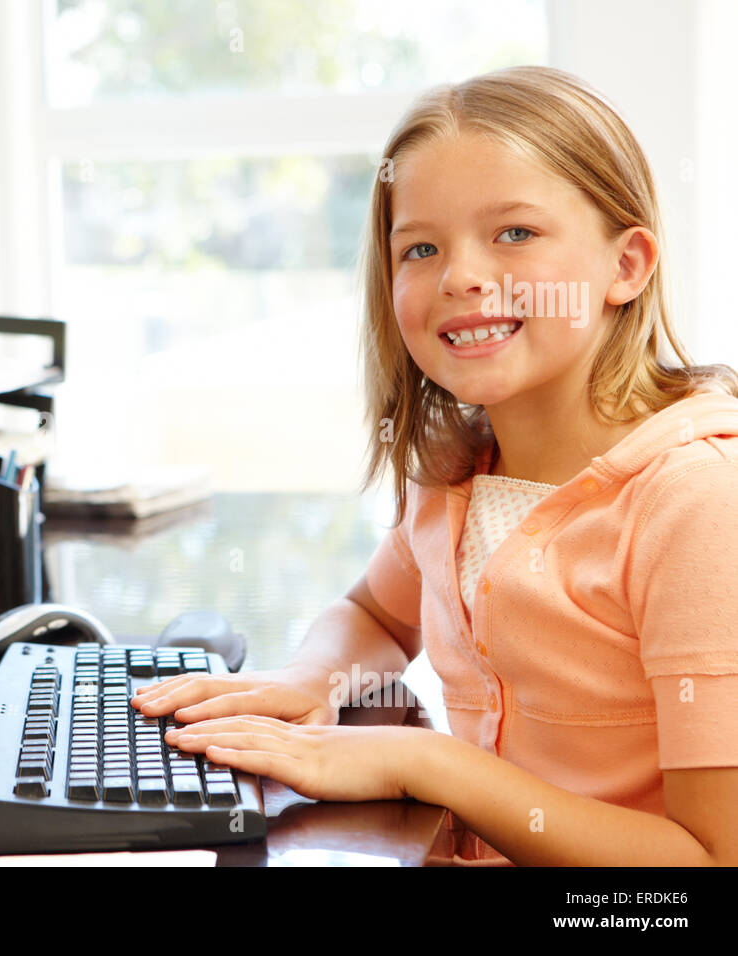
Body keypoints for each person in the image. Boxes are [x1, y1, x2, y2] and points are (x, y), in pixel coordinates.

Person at [132, 65, 738, 866]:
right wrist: (316, 677)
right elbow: (378, 615)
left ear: (625, 267)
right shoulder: (457, 472)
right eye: (420, 247)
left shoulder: (697, 505)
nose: (460, 277)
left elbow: (707, 862)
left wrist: (427, 765)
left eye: (515, 234)